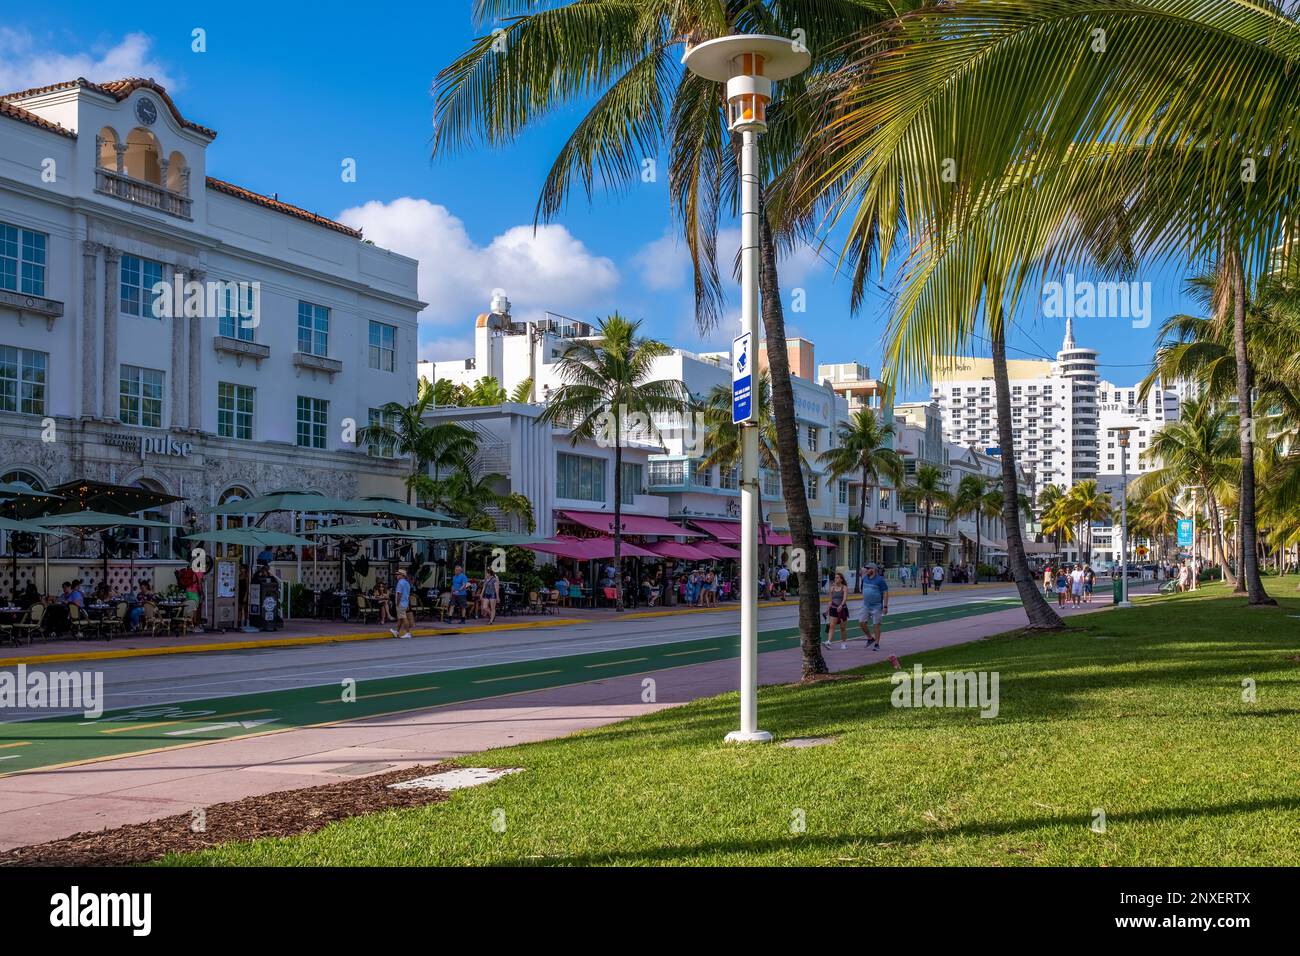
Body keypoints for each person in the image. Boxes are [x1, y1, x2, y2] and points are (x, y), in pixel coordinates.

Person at [858, 562, 889, 651]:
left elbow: (885, 593)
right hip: (866, 605)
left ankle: (877, 644)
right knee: (861, 622)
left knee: (876, 625)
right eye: (866, 569)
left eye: (869, 569)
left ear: (874, 570)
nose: (867, 570)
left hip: (877, 606)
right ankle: (870, 638)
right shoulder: (864, 578)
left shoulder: (880, 580)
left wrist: (885, 606)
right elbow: (861, 571)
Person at [824, 572, 851, 649]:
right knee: (832, 626)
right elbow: (830, 600)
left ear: (841, 579)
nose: (836, 579)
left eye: (838, 577)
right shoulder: (832, 588)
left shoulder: (844, 587)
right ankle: (829, 642)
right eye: (835, 577)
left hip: (842, 610)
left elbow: (845, 598)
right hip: (833, 609)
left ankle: (843, 643)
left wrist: (841, 605)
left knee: (842, 628)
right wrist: (827, 610)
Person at [391, 568, 413, 639]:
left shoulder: (400, 583)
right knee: (400, 618)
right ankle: (396, 632)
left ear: (402, 575)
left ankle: (407, 633)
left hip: (401, 603)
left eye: (398, 574)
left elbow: (399, 594)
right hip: (405, 603)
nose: (397, 575)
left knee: (403, 617)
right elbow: (408, 594)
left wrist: (397, 603)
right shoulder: (407, 583)